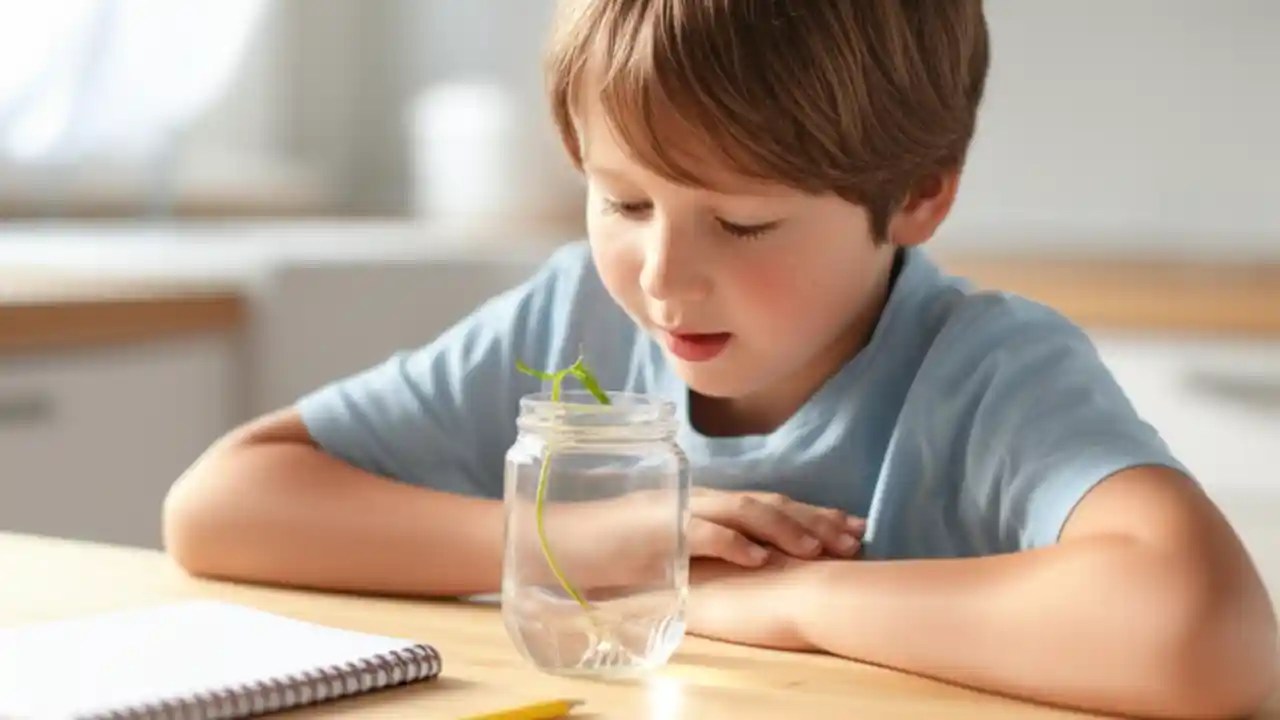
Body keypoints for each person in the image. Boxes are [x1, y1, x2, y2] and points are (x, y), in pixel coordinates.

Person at [163, 1, 1278, 716]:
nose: (661, 277)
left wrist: (789, 600)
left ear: (920, 194)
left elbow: (1209, 639)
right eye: (622, 200)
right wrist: (602, 549)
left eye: (741, 226)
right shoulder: (574, 322)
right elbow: (220, 506)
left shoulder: (988, 369)